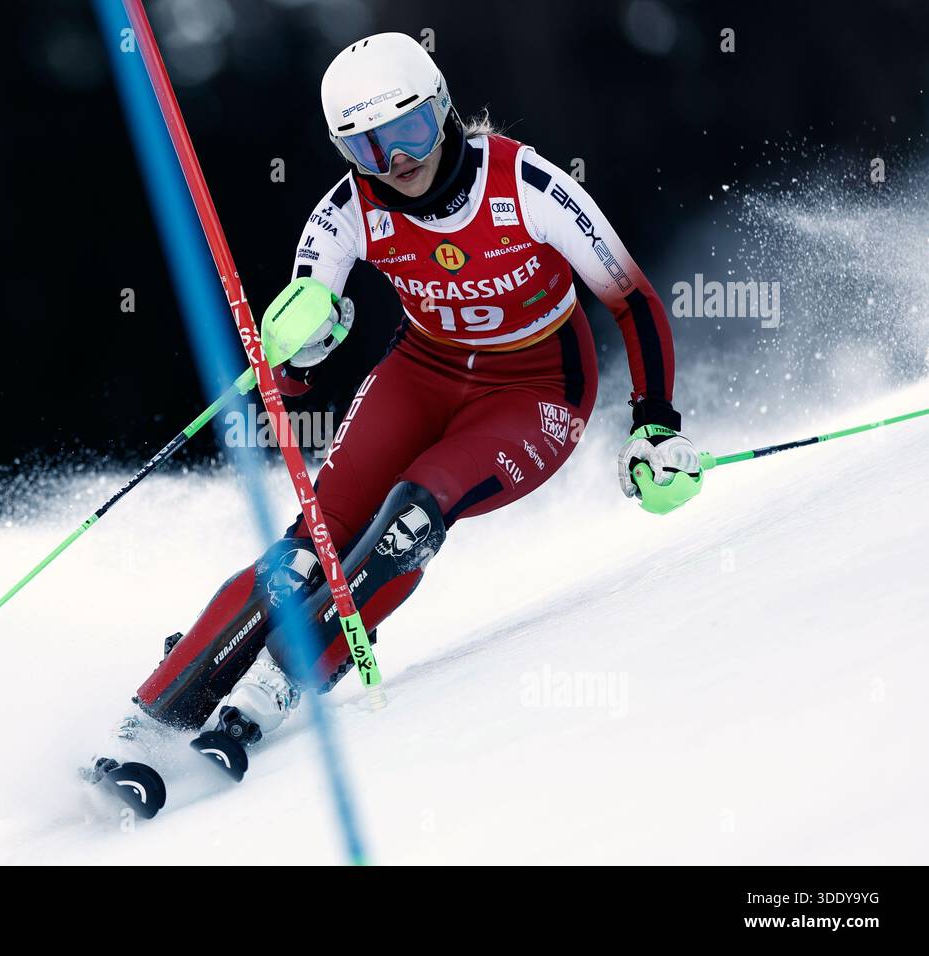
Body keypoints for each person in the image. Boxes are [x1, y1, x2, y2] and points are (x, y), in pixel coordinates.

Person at [86, 32, 702, 815]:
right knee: (306, 552)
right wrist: (301, 347)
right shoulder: (347, 212)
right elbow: (296, 368)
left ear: (442, 112)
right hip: (423, 371)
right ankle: (144, 724)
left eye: (408, 131)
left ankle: (274, 689)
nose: (395, 159)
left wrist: (653, 421)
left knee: (413, 511)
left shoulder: (527, 184)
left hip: (538, 389)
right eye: (365, 145)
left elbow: (632, 299)